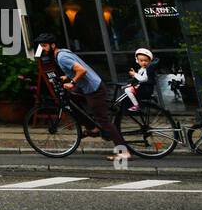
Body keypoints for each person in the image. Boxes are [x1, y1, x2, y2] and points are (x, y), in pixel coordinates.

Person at [32, 32, 128, 160]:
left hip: (94, 89)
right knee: (72, 99)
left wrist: (72, 82)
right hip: (87, 87)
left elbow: (81, 70)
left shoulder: (61, 57)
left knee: (104, 120)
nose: (42, 49)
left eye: (44, 46)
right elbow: (74, 69)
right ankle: (92, 127)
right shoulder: (61, 53)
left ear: (53, 45)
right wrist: (67, 76)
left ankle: (124, 152)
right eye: (41, 46)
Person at [117, 47, 156, 112]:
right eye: (141, 61)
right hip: (141, 86)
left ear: (149, 61)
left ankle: (136, 105)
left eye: (146, 61)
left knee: (128, 90)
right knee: (128, 88)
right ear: (137, 61)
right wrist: (131, 82)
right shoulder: (141, 69)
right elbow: (138, 79)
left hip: (145, 89)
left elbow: (143, 79)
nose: (144, 63)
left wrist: (135, 74)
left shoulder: (147, 70)